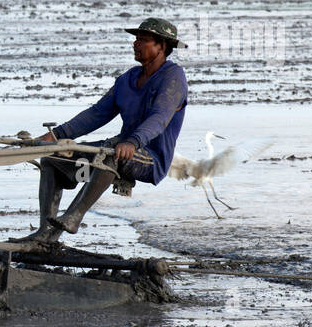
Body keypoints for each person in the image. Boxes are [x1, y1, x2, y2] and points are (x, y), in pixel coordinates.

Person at [17, 17, 189, 243]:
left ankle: (74, 217)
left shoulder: (173, 77)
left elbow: (160, 118)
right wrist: (57, 136)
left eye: (143, 40)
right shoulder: (127, 79)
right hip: (119, 148)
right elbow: (97, 114)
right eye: (136, 39)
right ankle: (45, 234)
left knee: (109, 154)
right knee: (54, 157)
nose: (135, 44)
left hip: (149, 157)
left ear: (162, 46)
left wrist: (133, 141)